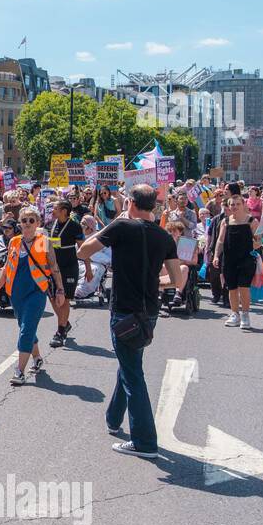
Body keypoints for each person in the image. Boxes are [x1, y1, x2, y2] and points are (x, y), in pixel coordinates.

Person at [78, 184, 184, 459]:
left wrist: (117, 219)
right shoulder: (164, 236)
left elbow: (84, 251)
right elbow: (177, 280)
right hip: (149, 311)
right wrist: (152, 283)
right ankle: (113, 418)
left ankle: (145, 442)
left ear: (131, 203)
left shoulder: (121, 227)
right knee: (130, 363)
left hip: (125, 310)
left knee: (133, 374)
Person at [0, 206, 65, 386]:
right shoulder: (14, 242)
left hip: (36, 292)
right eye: (24, 220)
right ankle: (38, 357)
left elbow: (55, 269)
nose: (27, 224)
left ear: (38, 223)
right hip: (16, 293)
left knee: (26, 330)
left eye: (31, 220)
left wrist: (60, 290)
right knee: (25, 327)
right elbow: (7, 267)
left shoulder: (44, 242)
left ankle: (19, 371)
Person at [212, 190, 260, 329]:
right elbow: (220, 241)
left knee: (244, 287)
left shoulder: (252, 221)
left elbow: (259, 241)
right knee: (231, 288)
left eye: (237, 204)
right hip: (229, 259)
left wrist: (257, 242)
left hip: (246, 259)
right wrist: (216, 256)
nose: (234, 207)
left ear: (243, 204)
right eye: (232, 205)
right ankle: (235, 314)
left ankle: (245, 314)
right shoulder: (225, 222)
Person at [47, 199, 84, 348]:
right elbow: (47, 245)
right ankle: (65, 322)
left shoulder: (75, 226)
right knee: (53, 298)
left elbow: (83, 248)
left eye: (55, 208)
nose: (52, 210)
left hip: (69, 267)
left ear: (64, 211)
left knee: (64, 300)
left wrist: (87, 268)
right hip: (53, 268)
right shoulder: (50, 224)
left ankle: (60, 331)